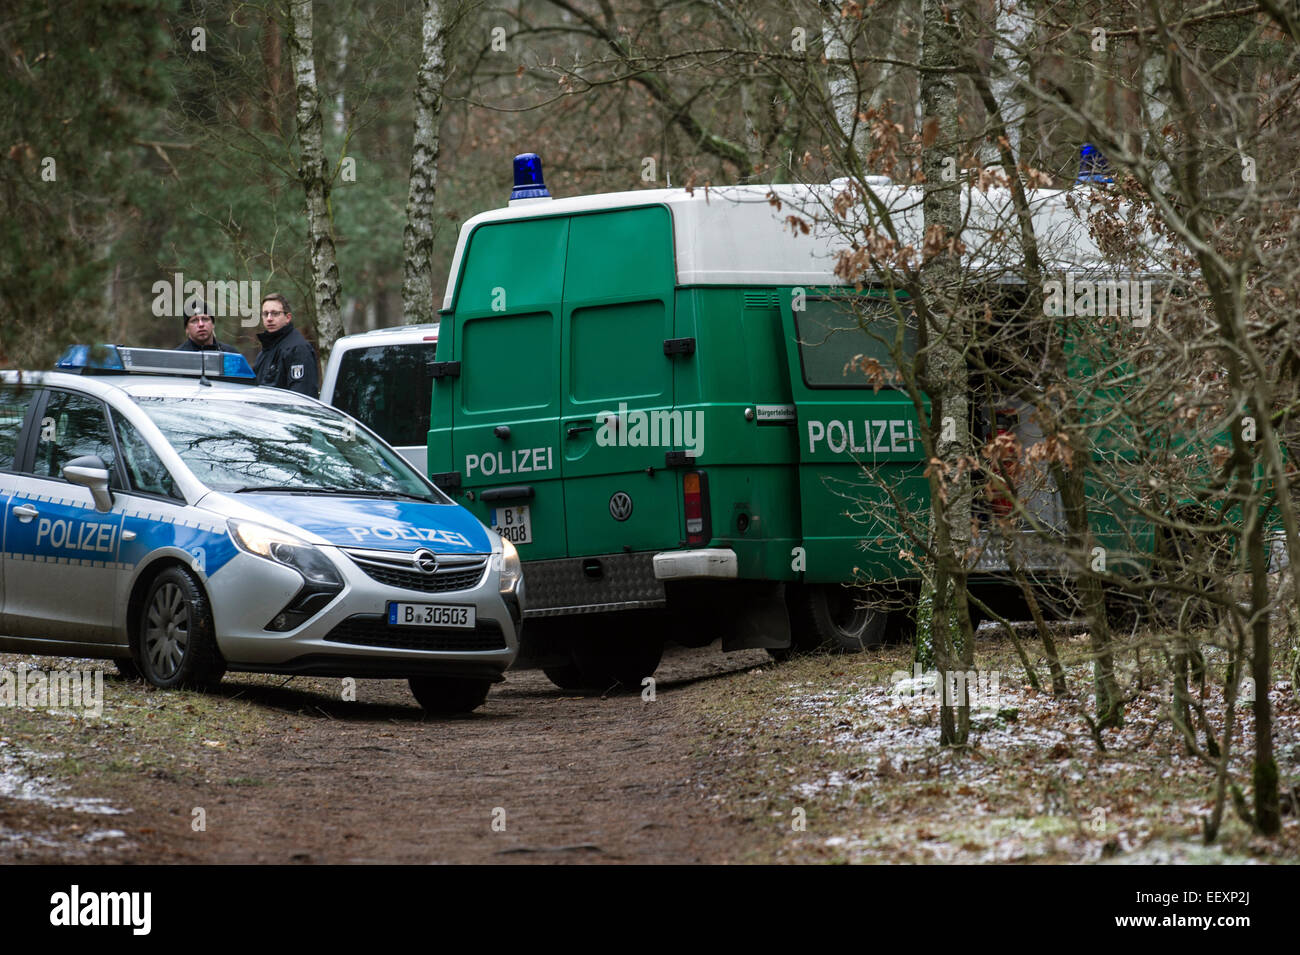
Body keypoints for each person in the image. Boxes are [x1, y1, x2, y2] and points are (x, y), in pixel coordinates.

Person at [253, 293, 319, 397]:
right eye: (265, 314)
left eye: (275, 313)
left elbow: (302, 395)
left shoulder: (297, 349)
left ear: (288, 317)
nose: (269, 318)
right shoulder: (265, 351)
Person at [176, 299, 240, 353]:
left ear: (213, 324)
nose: (201, 324)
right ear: (187, 329)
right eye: (194, 321)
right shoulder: (177, 356)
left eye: (205, 319)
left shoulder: (230, 353)